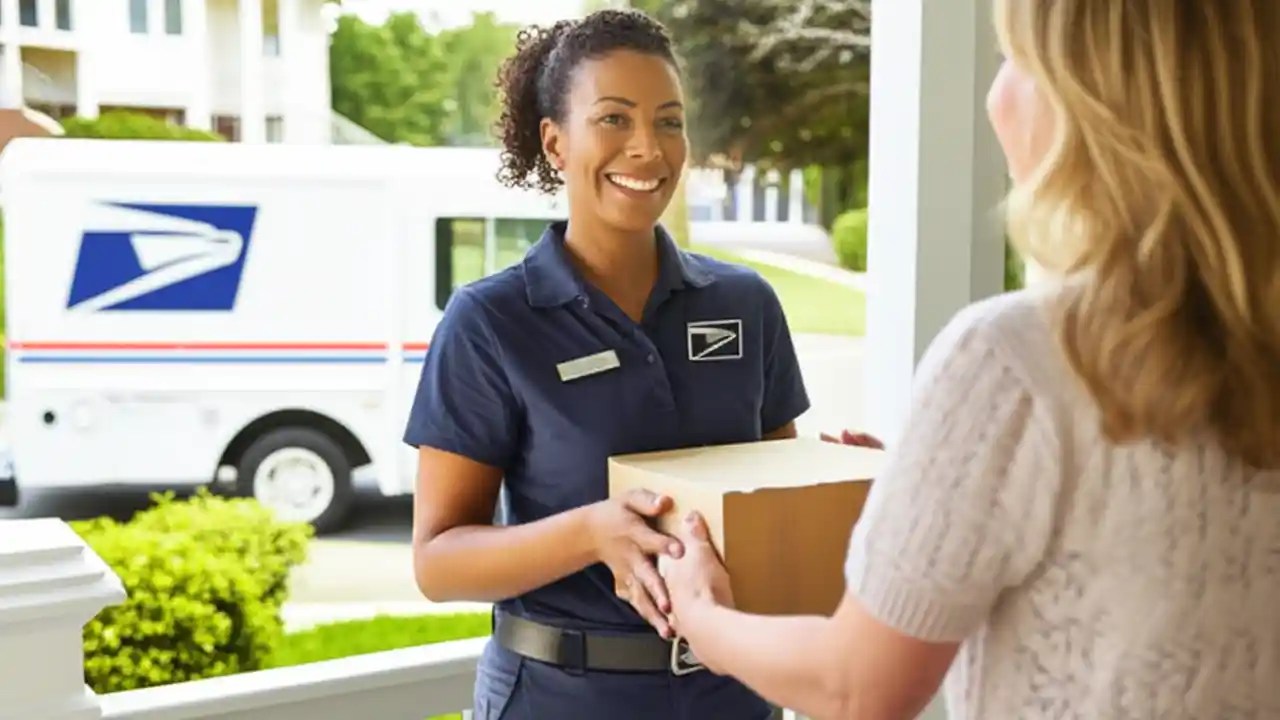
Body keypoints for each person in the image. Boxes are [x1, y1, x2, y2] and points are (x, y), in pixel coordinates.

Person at [660, 1, 1280, 719]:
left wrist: (701, 616)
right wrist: (952, 489)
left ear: (1096, 103)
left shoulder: (1018, 356)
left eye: (1016, 61)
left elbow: (857, 687)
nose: (993, 98)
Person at [402, 9, 875, 719]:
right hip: (558, 697)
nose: (648, 149)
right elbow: (438, 562)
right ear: (555, 143)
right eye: (615, 120)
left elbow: (768, 504)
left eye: (669, 121)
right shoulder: (491, 323)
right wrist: (592, 533)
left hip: (732, 696)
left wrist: (842, 487)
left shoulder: (745, 304)